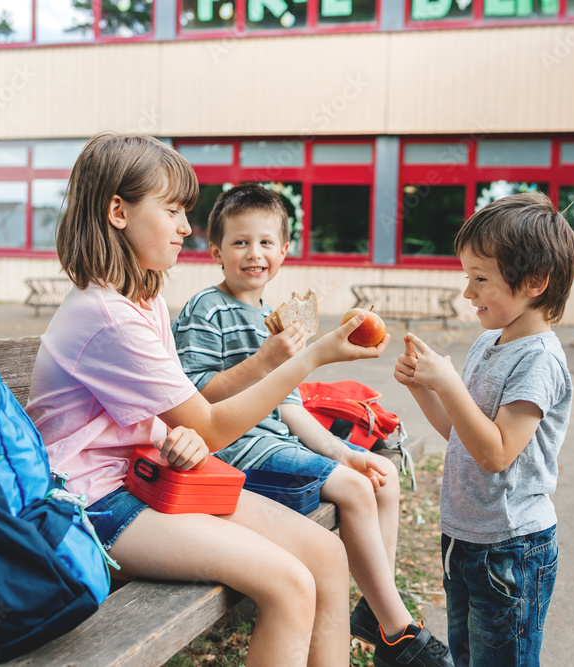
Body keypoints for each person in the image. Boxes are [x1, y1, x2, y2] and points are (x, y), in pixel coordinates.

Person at [25, 132, 391, 667]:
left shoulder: (144, 297)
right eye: (172, 209)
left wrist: (181, 436)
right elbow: (213, 424)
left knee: (327, 556)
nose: (186, 227)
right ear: (117, 211)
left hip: (150, 475)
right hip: (93, 504)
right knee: (289, 584)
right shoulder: (107, 315)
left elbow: (186, 422)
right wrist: (310, 357)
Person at [172, 184, 453, 667]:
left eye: (265, 243)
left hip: (276, 447)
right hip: (234, 453)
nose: (253, 254)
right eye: (239, 243)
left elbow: (292, 408)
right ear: (216, 251)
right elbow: (194, 397)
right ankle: (397, 629)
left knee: (378, 480)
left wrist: (344, 452)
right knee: (356, 490)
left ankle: (373, 609)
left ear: (284, 251)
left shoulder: (274, 317)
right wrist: (263, 362)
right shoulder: (206, 308)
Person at [394, 192, 574, 667]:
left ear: (535, 282)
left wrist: (449, 383)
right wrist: (424, 388)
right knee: (467, 657)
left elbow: (497, 453)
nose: (467, 293)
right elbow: (463, 436)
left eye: (480, 279)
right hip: (466, 539)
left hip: (511, 549)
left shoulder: (539, 360)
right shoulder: (488, 342)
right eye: (467, 278)